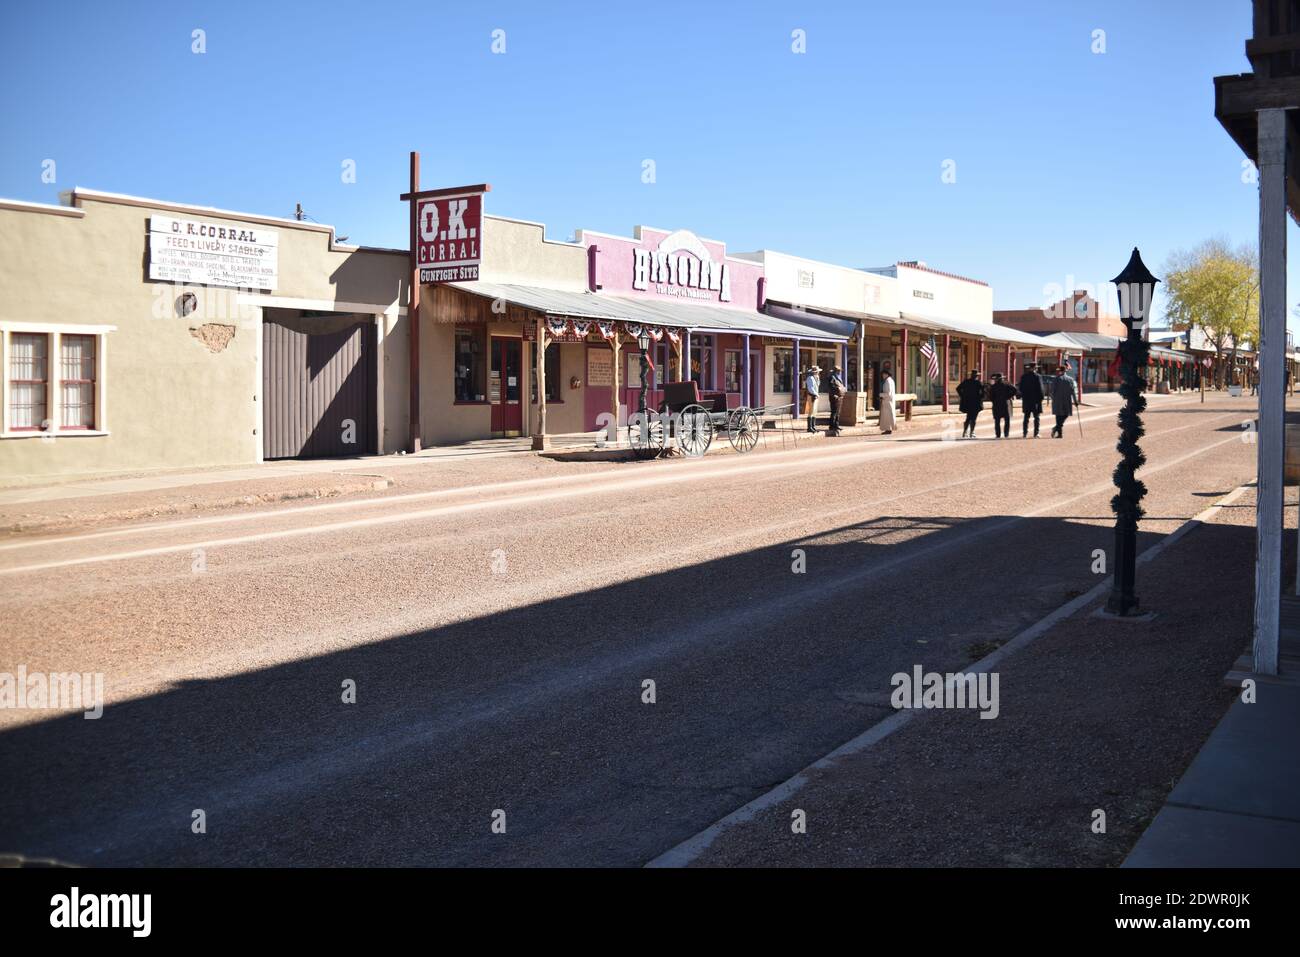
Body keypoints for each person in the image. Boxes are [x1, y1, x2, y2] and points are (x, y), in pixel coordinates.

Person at [1048, 363, 1078, 437]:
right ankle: (1058, 432)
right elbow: (1073, 392)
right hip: (1067, 400)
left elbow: (1051, 391)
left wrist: (1053, 398)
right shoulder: (1070, 379)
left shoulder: (1056, 379)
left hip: (1057, 401)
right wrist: (1075, 401)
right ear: (1065, 371)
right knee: (1065, 415)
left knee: (1058, 417)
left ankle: (1057, 430)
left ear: (1060, 371)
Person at [1018, 362, 1045, 438]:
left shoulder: (1023, 376)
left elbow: (1021, 388)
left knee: (1026, 417)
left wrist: (1024, 396)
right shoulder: (1038, 376)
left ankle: (1024, 433)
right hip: (1036, 400)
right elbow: (1041, 389)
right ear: (1035, 368)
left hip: (1026, 400)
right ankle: (1036, 433)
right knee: (1036, 417)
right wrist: (1041, 398)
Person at [988, 372, 1017, 439]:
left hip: (996, 404)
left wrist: (994, 400)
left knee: (997, 421)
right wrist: (1009, 396)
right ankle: (1006, 434)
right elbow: (1015, 390)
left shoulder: (993, 386)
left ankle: (998, 435)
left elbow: (990, 396)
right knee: (1007, 420)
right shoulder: (1007, 384)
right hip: (1006, 404)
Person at [956, 369, 983, 438]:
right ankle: (971, 432)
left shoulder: (966, 382)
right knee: (973, 418)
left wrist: (963, 396)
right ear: (976, 376)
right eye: (976, 375)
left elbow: (958, 389)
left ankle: (965, 432)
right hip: (975, 402)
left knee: (968, 417)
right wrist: (980, 397)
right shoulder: (978, 383)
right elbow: (983, 392)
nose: (976, 376)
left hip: (967, 402)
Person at [878, 364, 897, 435]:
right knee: (888, 416)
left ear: (886, 374)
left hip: (887, 401)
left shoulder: (888, 381)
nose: (882, 376)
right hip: (888, 401)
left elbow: (888, 393)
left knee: (887, 416)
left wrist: (880, 395)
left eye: (883, 374)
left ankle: (888, 429)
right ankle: (888, 429)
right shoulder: (890, 381)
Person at [827, 365, 845, 436]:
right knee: (834, 411)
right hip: (834, 396)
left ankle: (836, 425)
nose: (839, 372)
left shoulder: (838, 377)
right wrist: (834, 395)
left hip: (840, 396)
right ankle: (832, 426)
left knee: (838, 412)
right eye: (838, 370)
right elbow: (830, 387)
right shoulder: (832, 377)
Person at [803, 364, 821, 434]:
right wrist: (816, 394)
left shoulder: (816, 377)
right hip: (812, 396)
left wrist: (818, 379)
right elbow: (811, 388)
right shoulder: (810, 378)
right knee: (811, 411)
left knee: (814, 412)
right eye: (817, 372)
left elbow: (817, 385)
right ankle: (809, 427)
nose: (818, 373)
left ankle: (813, 426)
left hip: (815, 396)